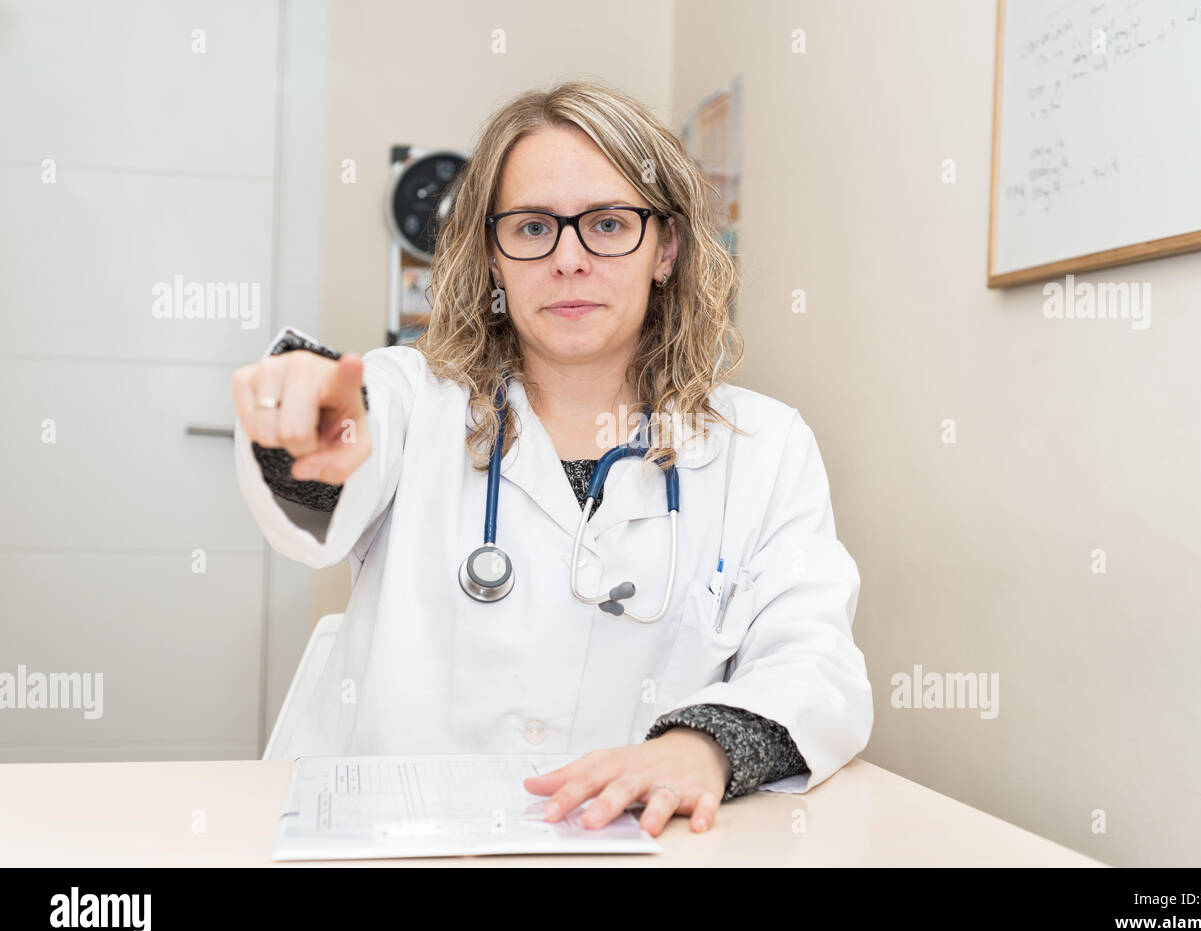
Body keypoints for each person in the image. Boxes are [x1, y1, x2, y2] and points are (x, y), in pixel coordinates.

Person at [231, 80, 872, 837]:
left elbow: (814, 661)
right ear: (493, 254)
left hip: (644, 846)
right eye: (533, 227)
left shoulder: (762, 447)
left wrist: (703, 745)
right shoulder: (415, 402)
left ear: (666, 247)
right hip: (407, 848)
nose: (568, 259)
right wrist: (302, 429)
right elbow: (333, 456)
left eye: (607, 223)